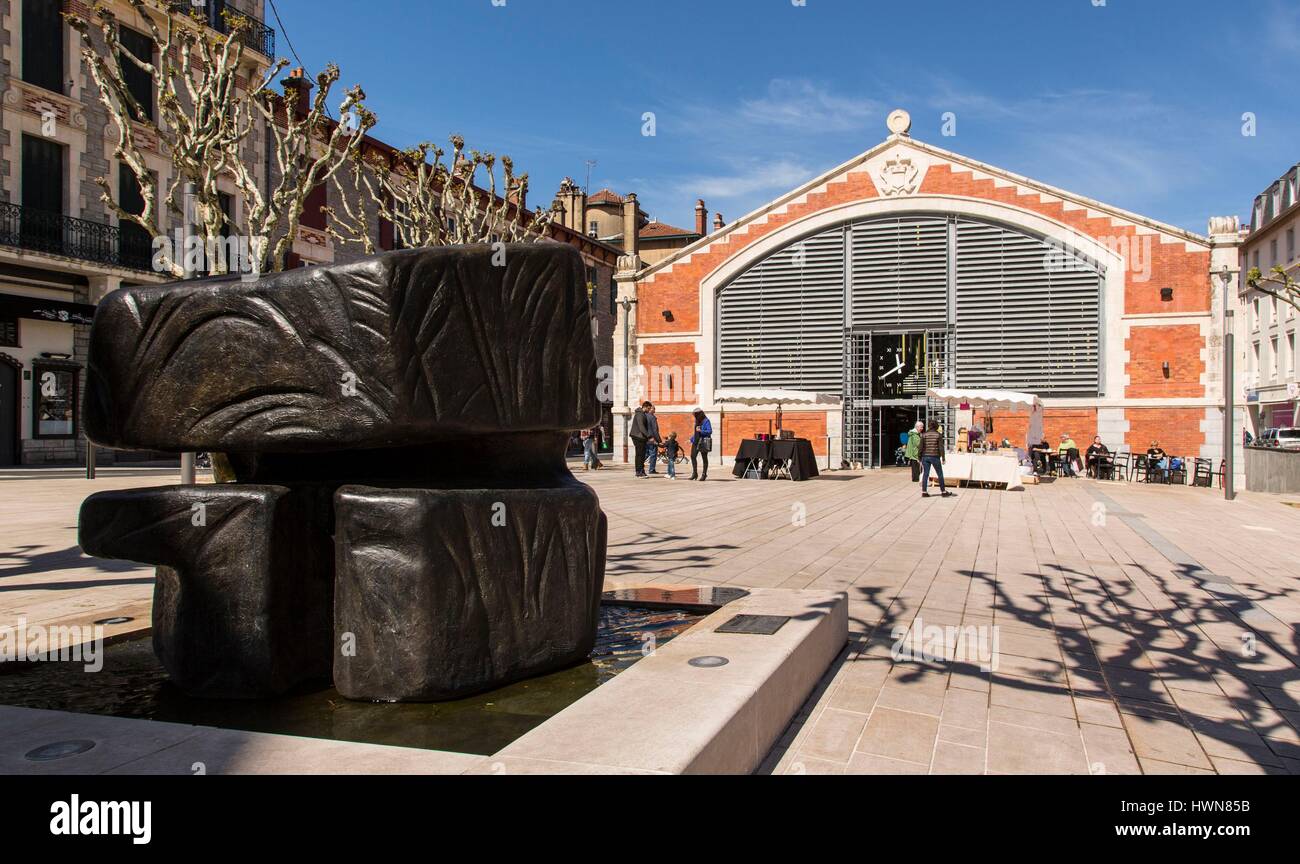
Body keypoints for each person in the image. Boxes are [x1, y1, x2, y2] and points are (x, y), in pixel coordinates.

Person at [918, 419, 952, 498]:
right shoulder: (938, 435)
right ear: (936, 426)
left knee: (925, 474)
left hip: (925, 456)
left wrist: (919, 457)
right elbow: (941, 447)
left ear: (929, 426)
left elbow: (920, 447)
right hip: (935, 456)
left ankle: (924, 491)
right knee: (939, 474)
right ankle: (943, 491)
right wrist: (943, 458)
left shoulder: (924, 435)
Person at [689, 408, 712, 481]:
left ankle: (704, 474)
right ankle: (695, 473)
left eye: (695, 415)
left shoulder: (706, 421)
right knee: (692, 456)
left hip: (703, 442)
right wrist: (691, 439)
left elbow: (709, 431)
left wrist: (701, 431)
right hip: (696, 441)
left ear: (699, 414)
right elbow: (696, 432)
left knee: (704, 458)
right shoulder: (697, 421)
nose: (694, 416)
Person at [630, 402, 652, 478]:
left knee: (641, 455)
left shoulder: (641, 413)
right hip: (638, 437)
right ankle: (639, 472)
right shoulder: (640, 414)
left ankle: (641, 470)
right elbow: (641, 427)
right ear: (645, 407)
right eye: (648, 408)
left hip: (640, 437)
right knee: (640, 455)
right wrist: (649, 436)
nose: (649, 410)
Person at [644, 404, 663, 474]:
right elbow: (655, 430)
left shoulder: (644, 416)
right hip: (652, 439)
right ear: (650, 409)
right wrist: (659, 441)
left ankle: (639, 466)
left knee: (646, 454)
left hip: (646, 438)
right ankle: (652, 469)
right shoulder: (652, 417)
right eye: (654, 409)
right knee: (653, 454)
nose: (655, 410)